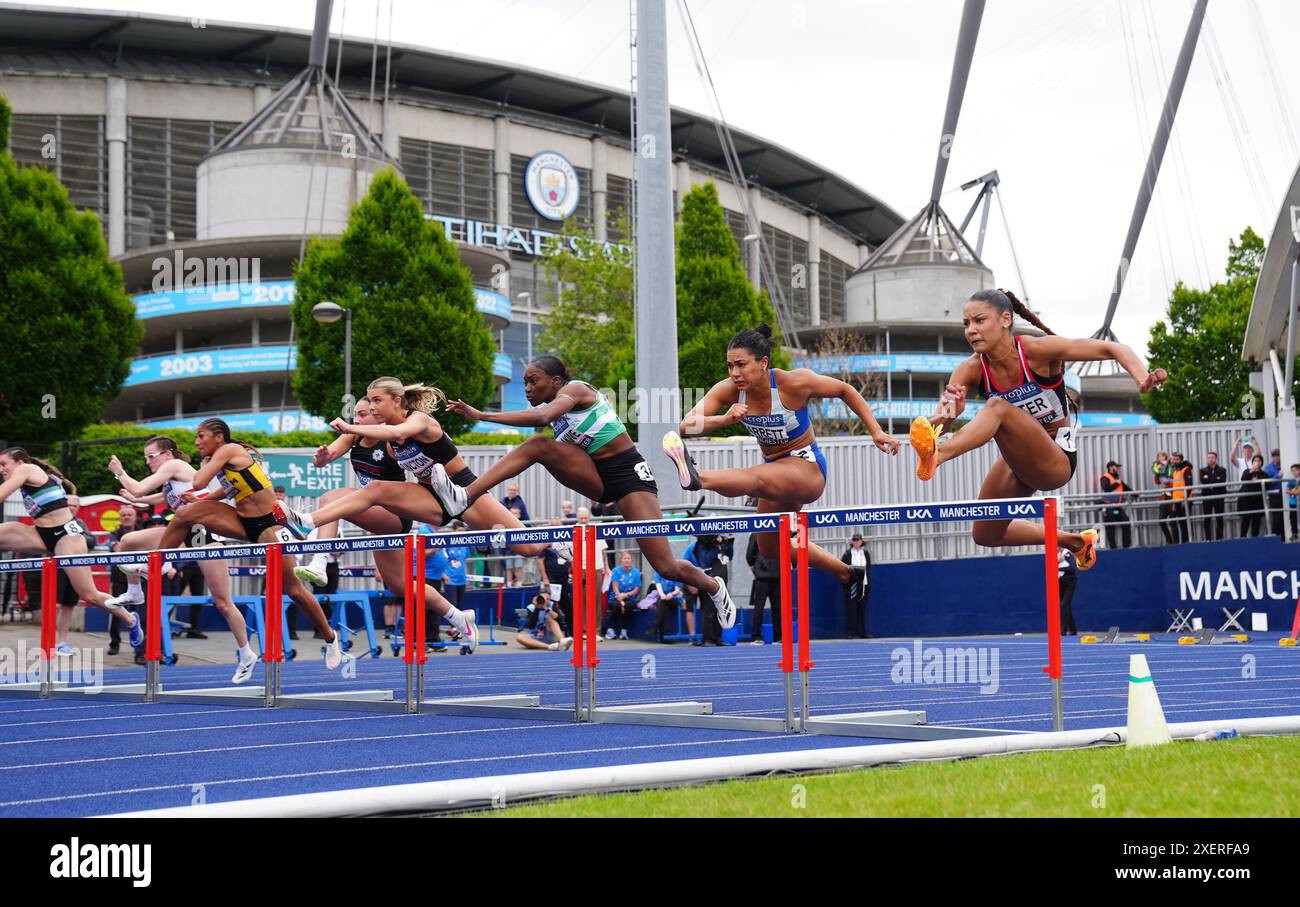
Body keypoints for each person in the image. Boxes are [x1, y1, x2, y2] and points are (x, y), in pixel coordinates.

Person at [440, 355, 739, 631]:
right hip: (597, 477)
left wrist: (483, 415)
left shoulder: (576, 390)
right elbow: (549, 427)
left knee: (666, 566)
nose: (528, 389)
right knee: (538, 448)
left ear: (556, 382)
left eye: (534, 381)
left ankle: (714, 587)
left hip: (628, 476)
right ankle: (466, 495)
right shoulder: (557, 416)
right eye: (525, 384)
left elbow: (543, 417)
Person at [907, 288, 1163, 566]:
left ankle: (938, 457)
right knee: (986, 533)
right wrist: (945, 416)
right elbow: (942, 419)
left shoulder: (1039, 351)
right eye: (966, 324)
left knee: (997, 407)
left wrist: (1141, 377)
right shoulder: (968, 369)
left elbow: (1112, 348)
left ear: (1005, 319)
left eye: (979, 321)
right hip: (1018, 461)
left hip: (1056, 459)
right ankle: (1076, 542)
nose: (971, 330)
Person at [663, 324, 897, 609]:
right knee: (770, 548)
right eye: (729, 366)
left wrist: (876, 431)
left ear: (763, 363)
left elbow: (845, 390)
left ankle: (699, 478)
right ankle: (848, 574)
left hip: (807, 468)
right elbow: (686, 425)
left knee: (755, 478)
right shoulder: (729, 391)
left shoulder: (794, 383)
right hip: (775, 470)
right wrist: (723, 420)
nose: (734, 373)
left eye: (741, 365)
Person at [274, 377, 545, 574]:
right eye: (370, 403)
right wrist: (328, 452)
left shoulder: (419, 421)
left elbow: (399, 433)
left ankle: (557, 544)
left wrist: (348, 427)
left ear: (396, 401)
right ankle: (307, 522)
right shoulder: (385, 437)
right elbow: (369, 444)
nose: (373, 408)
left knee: (530, 549)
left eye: (377, 402)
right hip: (431, 496)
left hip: (465, 492)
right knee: (375, 489)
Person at [148, 419, 346, 671]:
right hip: (241, 520)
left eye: (201, 436)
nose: (196, 442)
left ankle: (330, 638)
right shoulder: (223, 459)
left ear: (219, 437)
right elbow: (226, 488)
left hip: (268, 525)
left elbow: (197, 482)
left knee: (294, 590)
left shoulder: (228, 451)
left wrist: (182, 471)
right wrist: (205, 498)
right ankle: (158, 563)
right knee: (186, 514)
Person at [298, 397, 472, 647]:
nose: (356, 420)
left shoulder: (391, 441)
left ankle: (319, 561)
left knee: (331, 498)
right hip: (373, 516)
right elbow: (324, 458)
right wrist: (322, 459)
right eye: (355, 415)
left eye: (363, 415)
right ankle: (458, 617)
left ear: (378, 417)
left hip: (394, 516)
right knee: (400, 586)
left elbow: (414, 446)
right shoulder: (353, 437)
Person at [110, 435, 261, 680]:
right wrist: (137, 500)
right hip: (182, 532)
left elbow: (138, 486)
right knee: (128, 542)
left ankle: (246, 653)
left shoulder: (174, 466)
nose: (148, 462)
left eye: (151, 456)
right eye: (145, 457)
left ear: (167, 454)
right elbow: (160, 497)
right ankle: (136, 590)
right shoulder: (172, 478)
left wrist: (119, 472)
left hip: (204, 535)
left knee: (223, 602)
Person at [0, 448, 144, 655]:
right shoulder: (26, 475)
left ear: (20, 462)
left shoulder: (27, 469)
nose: (1, 469)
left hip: (67, 537)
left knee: (89, 594)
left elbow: (2, 494)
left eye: (4, 464)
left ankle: (130, 619)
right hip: (40, 533)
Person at [746, 532, 780, 646]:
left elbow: (750, 554)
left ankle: (756, 637)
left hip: (762, 574)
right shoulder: (780, 531)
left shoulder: (756, 532)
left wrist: (755, 565)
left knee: (758, 607)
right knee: (778, 607)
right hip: (778, 572)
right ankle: (778, 637)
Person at [605, 550, 642, 640]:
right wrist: (620, 598)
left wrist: (626, 596)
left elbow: (636, 589)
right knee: (617, 605)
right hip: (616, 596)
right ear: (621, 560)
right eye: (625, 558)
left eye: (628, 558)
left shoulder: (636, 572)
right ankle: (610, 629)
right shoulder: (616, 570)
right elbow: (615, 586)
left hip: (630, 597)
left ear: (631, 560)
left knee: (628, 605)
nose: (627, 560)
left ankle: (624, 631)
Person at [840, 534, 871, 639]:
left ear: (862, 541)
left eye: (858, 540)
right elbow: (842, 569)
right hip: (851, 586)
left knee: (861, 609)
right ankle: (849, 632)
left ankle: (862, 632)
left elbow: (868, 568)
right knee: (851, 609)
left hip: (863, 585)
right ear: (851, 542)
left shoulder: (865, 553)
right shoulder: (847, 554)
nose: (856, 542)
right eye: (854, 540)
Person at [1099, 461, 1131, 549]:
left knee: (1126, 522)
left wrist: (1137, 495)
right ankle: (1113, 548)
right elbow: (1106, 489)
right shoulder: (1105, 477)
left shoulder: (1118, 478)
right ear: (1110, 467)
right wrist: (1116, 483)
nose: (1118, 468)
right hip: (1108, 506)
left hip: (1117, 506)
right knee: (1110, 527)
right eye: (1116, 467)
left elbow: (1126, 488)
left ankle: (1126, 547)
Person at [651, 567, 688, 644]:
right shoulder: (657, 574)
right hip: (664, 599)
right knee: (663, 604)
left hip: (675, 599)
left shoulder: (673, 573)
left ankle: (655, 626)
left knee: (662, 603)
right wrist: (662, 595)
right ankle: (663, 637)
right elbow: (659, 587)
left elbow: (677, 590)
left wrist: (671, 594)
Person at [1198, 452, 1228, 541]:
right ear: (1207, 459)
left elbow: (1222, 481)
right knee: (1207, 519)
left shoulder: (1222, 470)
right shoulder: (1202, 470)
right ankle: (1208, 539)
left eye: (1212, 457)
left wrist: (1209, 479)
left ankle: (1219, 539)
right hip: (1207, 497)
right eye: (1209, 457)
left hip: (1219, 497)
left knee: (1220, 518)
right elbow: (1203, 481)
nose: (1211, 459)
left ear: (1216, 459)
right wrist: (1216, 478)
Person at [1166, 452, 1193, 544]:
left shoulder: (1186, 469)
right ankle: (1176, 543)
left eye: (1176, 459)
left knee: (1184, 523)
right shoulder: (1175, 470)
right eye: (1173, 459)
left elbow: (1189, 486)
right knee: (1173, 521)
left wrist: (1184, 500)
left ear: (1181, 460)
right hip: (1176, 500)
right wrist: (1173, 502)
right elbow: (1175, 488)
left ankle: (1186, 542)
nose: (1174, 461)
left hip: (1184, 500)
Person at [1239, 454, 1267, 538]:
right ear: (1252, 462)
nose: (1257, 462)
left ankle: (1255, 538)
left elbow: (1266, 484)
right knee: (1245, 521)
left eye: (1259, 461)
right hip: (1246, 501)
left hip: (1257, 501)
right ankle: (1243, 538)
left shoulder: (1263, 474)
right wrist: (1251, 471)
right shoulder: (1247, 471)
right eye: (1255, 461)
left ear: (1261, 463)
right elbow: (1243, 478)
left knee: (1256, 521)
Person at [1150, 451, 1174, 544]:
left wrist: (1168, 482)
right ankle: (1169, 540)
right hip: (1163, 497)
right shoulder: (1157, 467)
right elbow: (1157, 482)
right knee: (1161, 520)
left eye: (1162, 456)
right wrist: (1158, 473)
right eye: (1158, 456)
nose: (1160, 458)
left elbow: (1173, 480)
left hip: (1172, 496)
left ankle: (1176, 542)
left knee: (1173, 521)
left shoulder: (1171, 466)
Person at [1057, 547, 1078, 636]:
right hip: (1059, 581)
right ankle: (1073, 629)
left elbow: (1072, 568)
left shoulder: (1067, 554)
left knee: (1064, 605)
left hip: (1069, 581)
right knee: (1066, 606)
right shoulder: (1055, 555)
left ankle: (1063, 629)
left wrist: (1058, 565)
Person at [1264, 449, 1284, 537]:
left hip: (1285, 495)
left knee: (1285, 517)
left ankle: (1284, 537)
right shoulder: (1268, 468)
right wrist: (1277, 476)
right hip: (1274, 496)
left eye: (1277, 456)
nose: (1275, 458)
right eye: (1274, 456)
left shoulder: (1284, 464)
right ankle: (1276, 537)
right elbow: (1267, 483)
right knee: (1276, 518)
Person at [1286, 464, 1300, 537]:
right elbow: (1287, 491)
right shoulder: (1291, 481)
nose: (1294, 472)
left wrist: (1295, 492)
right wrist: (1294, 492)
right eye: (1293, 471)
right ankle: (1294, 533)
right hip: (1293, 502)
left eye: (1296, 470)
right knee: (1292, 517)